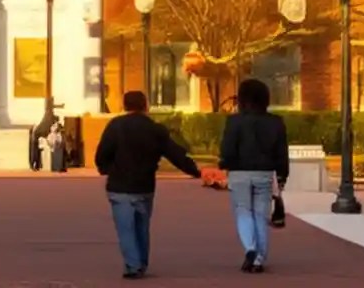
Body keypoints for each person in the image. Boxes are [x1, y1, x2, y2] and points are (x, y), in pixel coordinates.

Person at [94, 90, 201, 280]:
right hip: (144, 185)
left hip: (119, 186)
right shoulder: (155, 129)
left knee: (125, 228)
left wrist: (107, 169)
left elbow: (102, 154)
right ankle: (142, 261)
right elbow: (175, 154)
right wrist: (195, 171)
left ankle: (133, 264)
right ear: (146, 105)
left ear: (124, 105)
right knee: (141, 226)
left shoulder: (115, 126)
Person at [219, 78, 290, 274]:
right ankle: (259, 259)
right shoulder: (276, 122)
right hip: (265, 173)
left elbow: (227, 148)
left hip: (239, 172)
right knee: (261, 215)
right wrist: (282, 176)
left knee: (243, 211)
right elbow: (282, 153)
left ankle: (250, 247)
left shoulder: (234, 121)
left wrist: (224, 163)